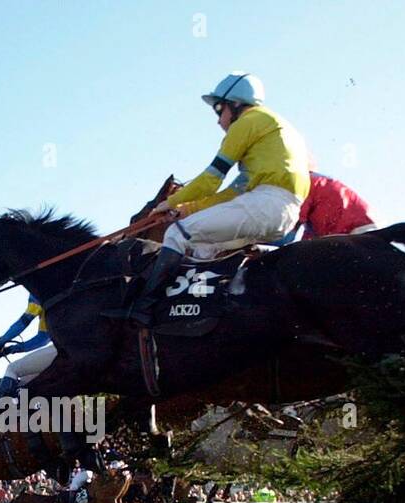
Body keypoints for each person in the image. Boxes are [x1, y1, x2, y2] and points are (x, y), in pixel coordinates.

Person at [126, 71, 311, 327]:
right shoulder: (272, 130)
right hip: (280, 212)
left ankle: (144, 307)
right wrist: (188, 209)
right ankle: (205, 312)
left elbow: (211, 178)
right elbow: (233, 193)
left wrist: (170, 203)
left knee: (176, 235)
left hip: (265, 203)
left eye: (218, 110)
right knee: (205, 249)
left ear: (235, 104)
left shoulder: (248, 121)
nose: (218, 121)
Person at [0, 295, 55, 401]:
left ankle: (4, 411)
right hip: (80, 347)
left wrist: (0, 342)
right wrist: (11, 349)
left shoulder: (40, 289)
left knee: (12, 369)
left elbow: (24, 321)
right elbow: (42, 339)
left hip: (63, 349)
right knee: (25, 381)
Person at [297, 172, 378, 239]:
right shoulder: (320, 181)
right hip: (366, 225)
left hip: (352, 230)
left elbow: (294, 220)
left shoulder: (303, 182)